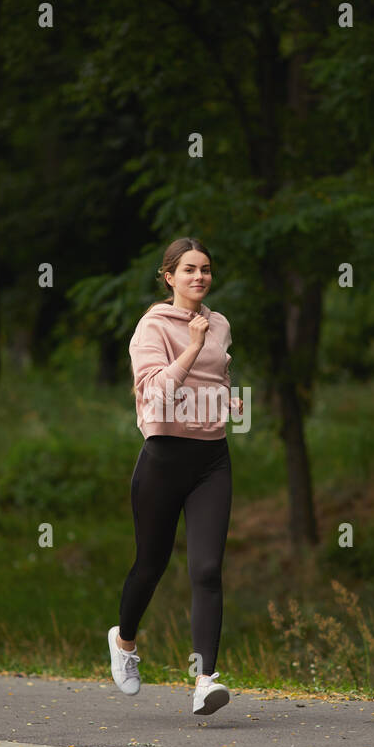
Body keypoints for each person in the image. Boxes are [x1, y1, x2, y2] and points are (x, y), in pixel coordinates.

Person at [108, 237, 243, 716]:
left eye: (205, 269)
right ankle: (124, 642)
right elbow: (154, 397)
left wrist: (228, 402)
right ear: (169, 277)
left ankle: (205, 680)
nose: (199, 277)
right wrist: (192, 346)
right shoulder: (153, 326)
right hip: (163, 459)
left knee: (207, 570)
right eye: (188, 270)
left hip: (211, 460)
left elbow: (217, 379)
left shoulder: (220, 323)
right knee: (151, 564)